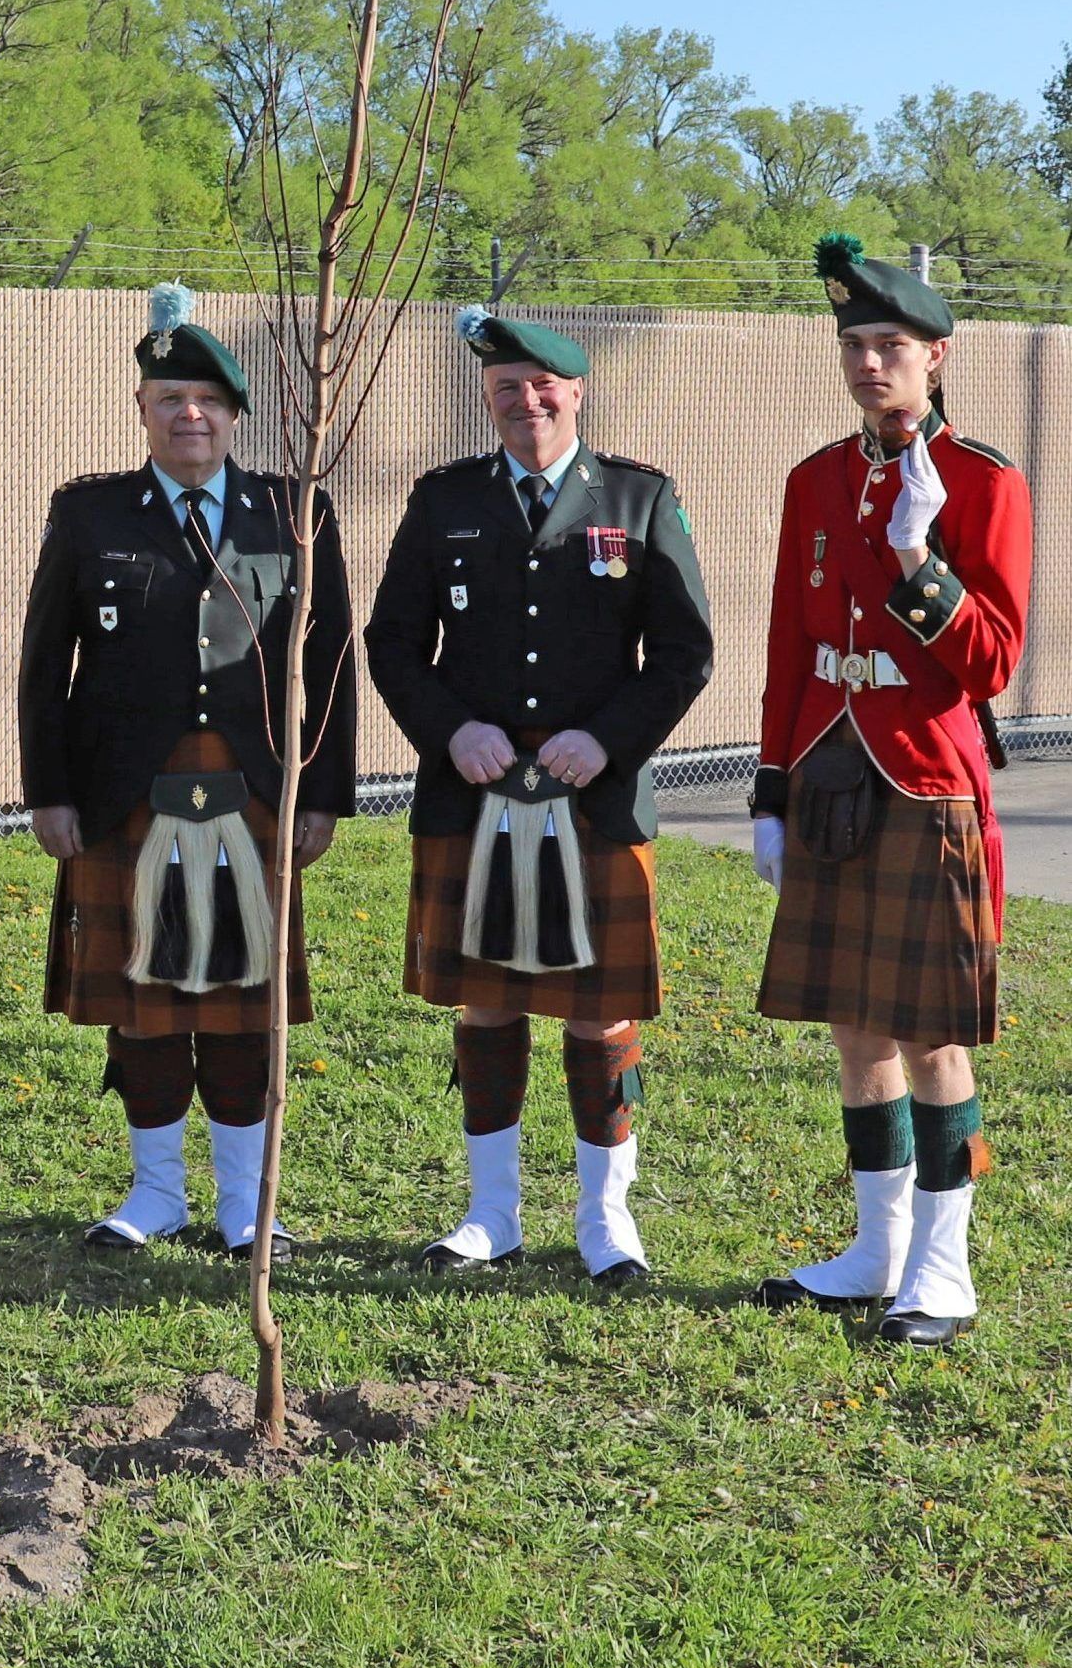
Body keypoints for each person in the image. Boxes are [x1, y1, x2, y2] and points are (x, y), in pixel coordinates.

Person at [365, 307, 713, 1287]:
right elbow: (392, 642)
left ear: (575, 390)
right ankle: (489, 1215)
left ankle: (605, 1223)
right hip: (470, 792)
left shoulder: (638, 500)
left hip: (592, 799)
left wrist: (601, 740)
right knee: (481, 1006)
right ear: (486, 399)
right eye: (505, 389)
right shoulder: (442, 501)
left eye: (541, 386)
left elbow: (683, 653)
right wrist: (449, 730)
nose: (525, 404)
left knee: (597, 1014)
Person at [16, 285, 356, 1258]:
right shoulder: (87, 514)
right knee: (145, 1002)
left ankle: (247, 1205)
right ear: (141, 409)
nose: (188, 414)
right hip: (124, 793)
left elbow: (328, 659)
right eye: (167, 398)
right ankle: (155, 1192)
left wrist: (321, 793)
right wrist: (50, 790)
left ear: (234, 414)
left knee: (242, 1007)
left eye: (205, 399)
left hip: (252, 790)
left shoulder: (294, 513)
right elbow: (46, 666)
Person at [749, 236, 1031, 1347]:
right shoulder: (813, 478)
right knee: (852, 1025)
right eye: (856, 345)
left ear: (935, 357)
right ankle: (874, 1252)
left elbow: (994, 662)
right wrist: (768, 786)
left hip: (925, 776)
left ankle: (942, 1269)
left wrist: (921, 565)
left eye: (891, 346)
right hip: (826, 770)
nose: (870, 364)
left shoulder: (981, 482)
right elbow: (784, 642)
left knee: (928, 1034)